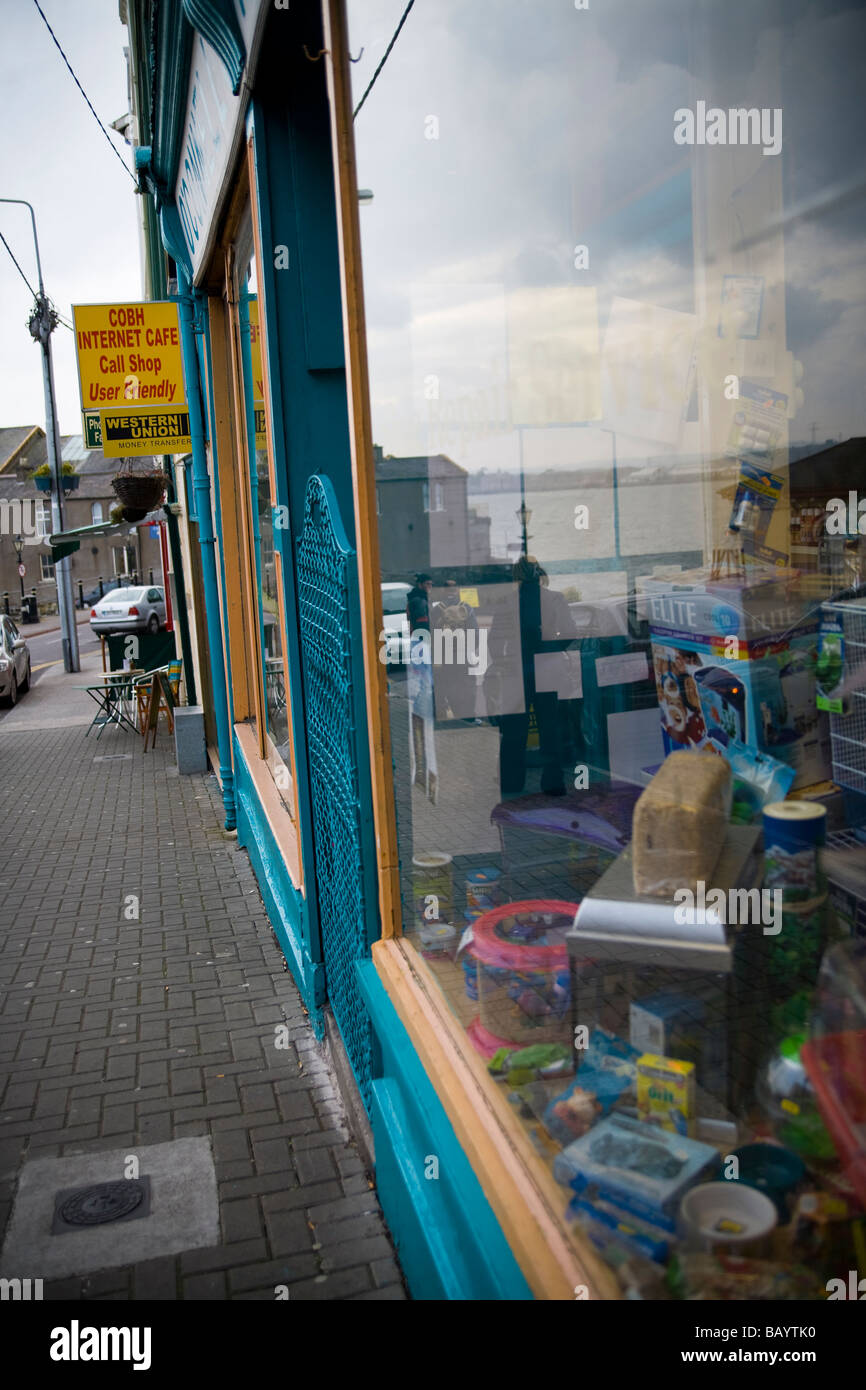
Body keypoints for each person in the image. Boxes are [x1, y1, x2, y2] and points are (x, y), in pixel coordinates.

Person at [489, 556, 578, 797]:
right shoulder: (555, 599)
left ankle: (511, 783)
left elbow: (495, 640)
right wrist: (550, 648)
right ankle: (553, 782)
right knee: (550, 728)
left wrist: (502, 663)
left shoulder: (506, 602)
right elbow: (569, 632)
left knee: (513, 731)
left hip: (517, 671)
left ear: (516, 575)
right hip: (547, 668)